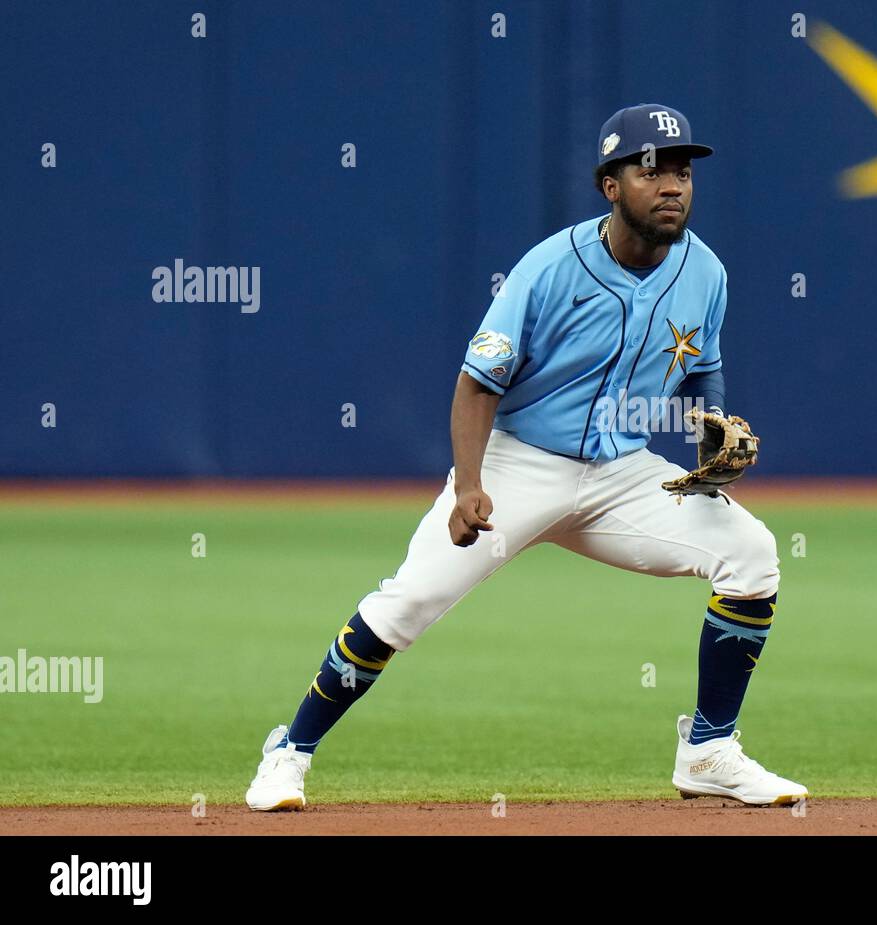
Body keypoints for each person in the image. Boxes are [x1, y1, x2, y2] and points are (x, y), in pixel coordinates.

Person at [245, 103, 807, 810]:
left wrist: (710, 427)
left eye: (683, 171)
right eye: (650, 169)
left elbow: (702, 369)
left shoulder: (706, 272)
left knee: (752, 554)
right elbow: (477, 383)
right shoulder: (549, 268)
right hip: (518, 464)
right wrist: (469, 487)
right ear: (611, 184)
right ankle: (288, 752)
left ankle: (708, 750)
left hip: (622, 475)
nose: (672, 185)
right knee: (409, 602)